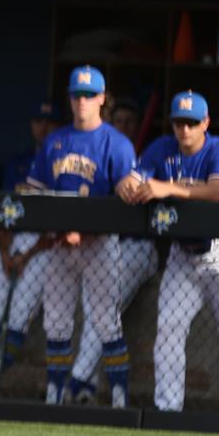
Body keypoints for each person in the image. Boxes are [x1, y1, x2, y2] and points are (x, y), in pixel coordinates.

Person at [120, 91, 219, 415]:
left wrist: (168, 188)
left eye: (192, 123)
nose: (185, 130)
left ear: (205, 123)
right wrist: (126, 185)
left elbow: (218, 190)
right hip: (183, 255)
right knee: (168, 330)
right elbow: (133, 179)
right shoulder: (161, 149)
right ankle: (167, 411)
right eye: (180, 123)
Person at [25, 65, 137, 406]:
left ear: (102, 99)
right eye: (77, 95)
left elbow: (125, 201)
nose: (82, 102)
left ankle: (120, 398)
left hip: (99, 246)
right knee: (56, 322)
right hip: (60, 245)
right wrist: (57, 229)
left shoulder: (115, 143)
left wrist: (86, 229)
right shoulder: (55, 141)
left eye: (89, 95)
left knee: (106, 322)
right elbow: (34, 195)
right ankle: (54, 395)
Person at [0, 101, 61, 395]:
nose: (43, 127)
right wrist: (7, 253)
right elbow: (4, 213)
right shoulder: (18, 162)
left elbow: (61, 222)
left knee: (19, 314)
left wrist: (29, 254)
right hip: (14, 241)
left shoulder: (63, 164)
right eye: (38, 120)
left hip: (47, 246)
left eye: (49, 121)